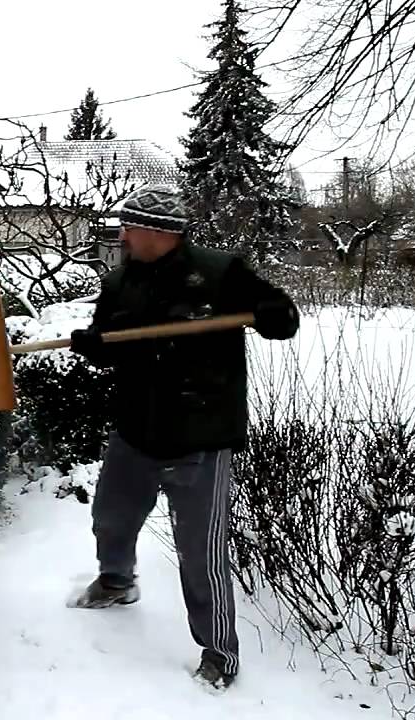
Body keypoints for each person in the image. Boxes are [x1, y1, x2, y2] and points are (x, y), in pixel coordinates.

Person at [67, 183, 299, 692]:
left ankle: (219, 650)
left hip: (200, 437)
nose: (123, 234)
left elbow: (279, 317)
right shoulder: (120, 281)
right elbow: (110, 344)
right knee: (111, 517)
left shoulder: (219, 273)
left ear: (159, 233)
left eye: (131, 226)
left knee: (202, 550)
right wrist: (93, 345)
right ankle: (116, 581)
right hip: (135, 430)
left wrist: (276, 314)